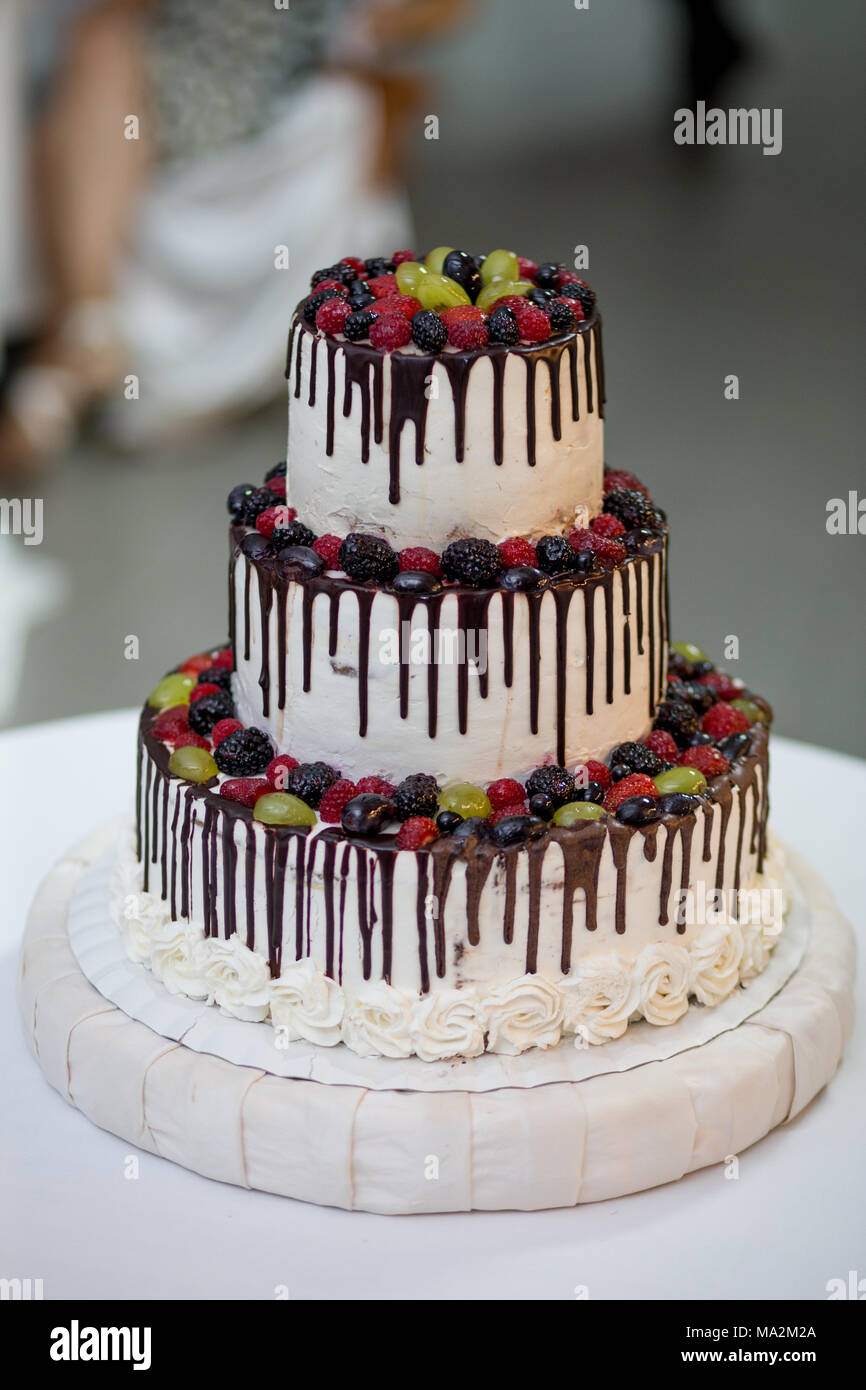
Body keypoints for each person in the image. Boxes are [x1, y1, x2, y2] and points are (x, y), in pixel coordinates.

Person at [0, 0, 466, 476]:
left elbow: (436, 13)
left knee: (103, 44)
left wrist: (372, 33)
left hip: (286, 78)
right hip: (164, 63)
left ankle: (81, 341)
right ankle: (86, 329)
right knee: (101, 41)